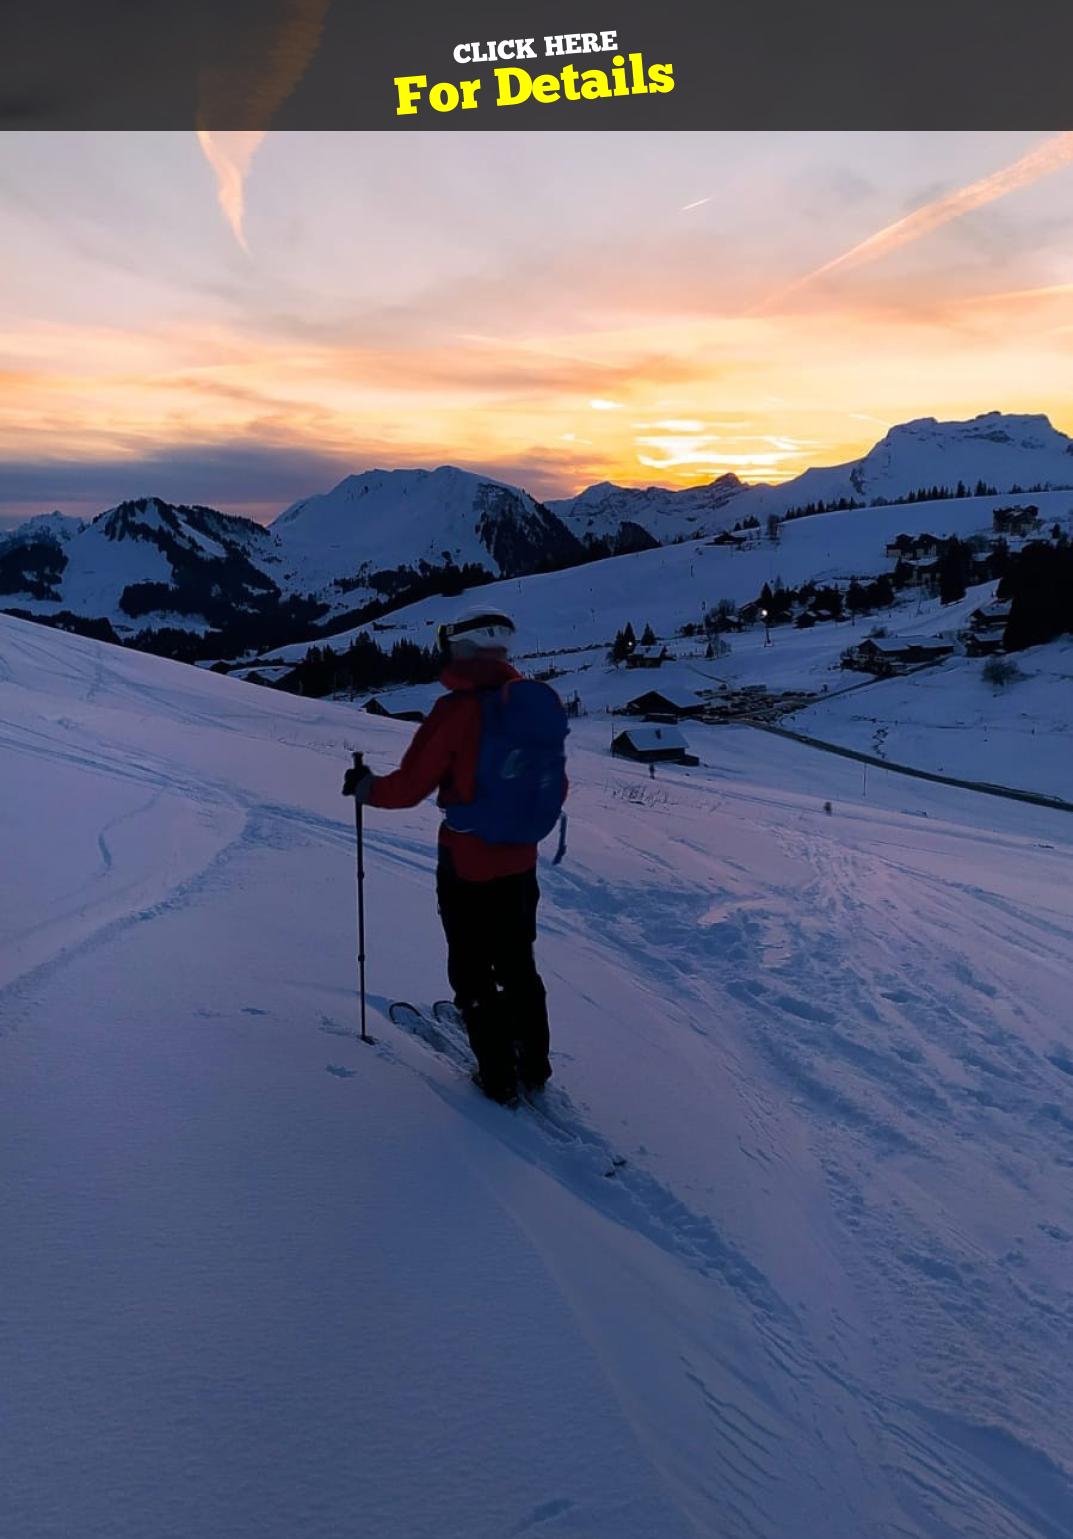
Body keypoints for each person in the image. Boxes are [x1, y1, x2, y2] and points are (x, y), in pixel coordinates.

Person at [342, 607, 566, 1104]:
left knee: (471, 966)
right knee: (516, 962)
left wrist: (365, 788)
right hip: (521, 859)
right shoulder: (527, 705)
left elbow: (408, 787)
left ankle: (497, 1076)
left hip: (467, 860)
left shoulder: (457, 711)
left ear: (458, 649)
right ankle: (534, 1063)